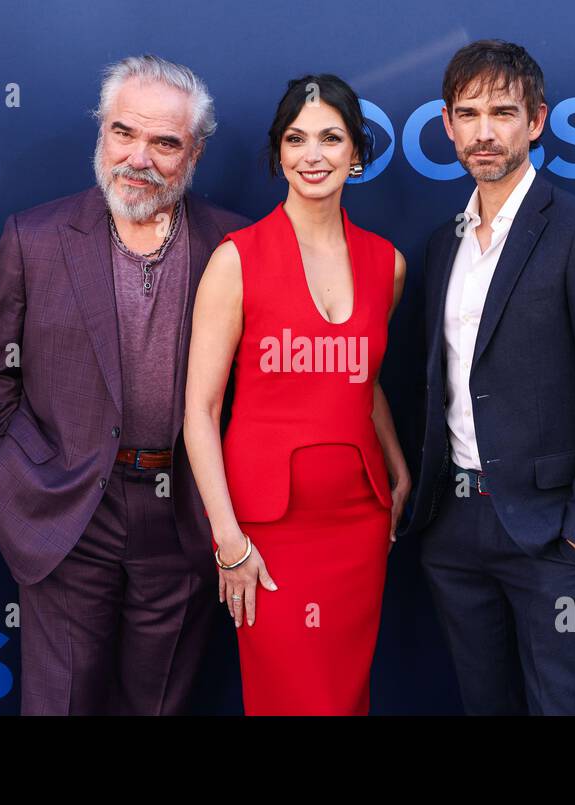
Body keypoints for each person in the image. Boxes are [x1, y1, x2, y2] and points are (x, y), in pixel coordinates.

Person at [0, 55, 249, 715]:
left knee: (156, 705)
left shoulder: (233, 243)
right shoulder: (34, 238)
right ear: (101, 132)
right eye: (124, 132)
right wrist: (22, 465)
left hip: (183, 511)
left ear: (195, 152)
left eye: (165, 142)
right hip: (68, 510)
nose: (139, 156)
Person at [399, 39, 575, 715]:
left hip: (552, 532)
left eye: (503, 112)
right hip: (453, 526)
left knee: (567, 706)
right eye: (468, 113)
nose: (485, 131)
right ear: (447, 124)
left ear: (537, 121)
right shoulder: (442, 241)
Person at [184, 74, 410, 715]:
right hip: (265, 534)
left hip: (359, 522)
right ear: (278, 154)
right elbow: (199, 411)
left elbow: (362, 382)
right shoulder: (237, 259)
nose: (313, 154)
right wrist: (228, 540)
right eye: (296, 138)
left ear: (356, 153)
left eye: (331, 138)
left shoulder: (386, 264)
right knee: (289, 698)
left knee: (343, 699)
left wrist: (397, 467)